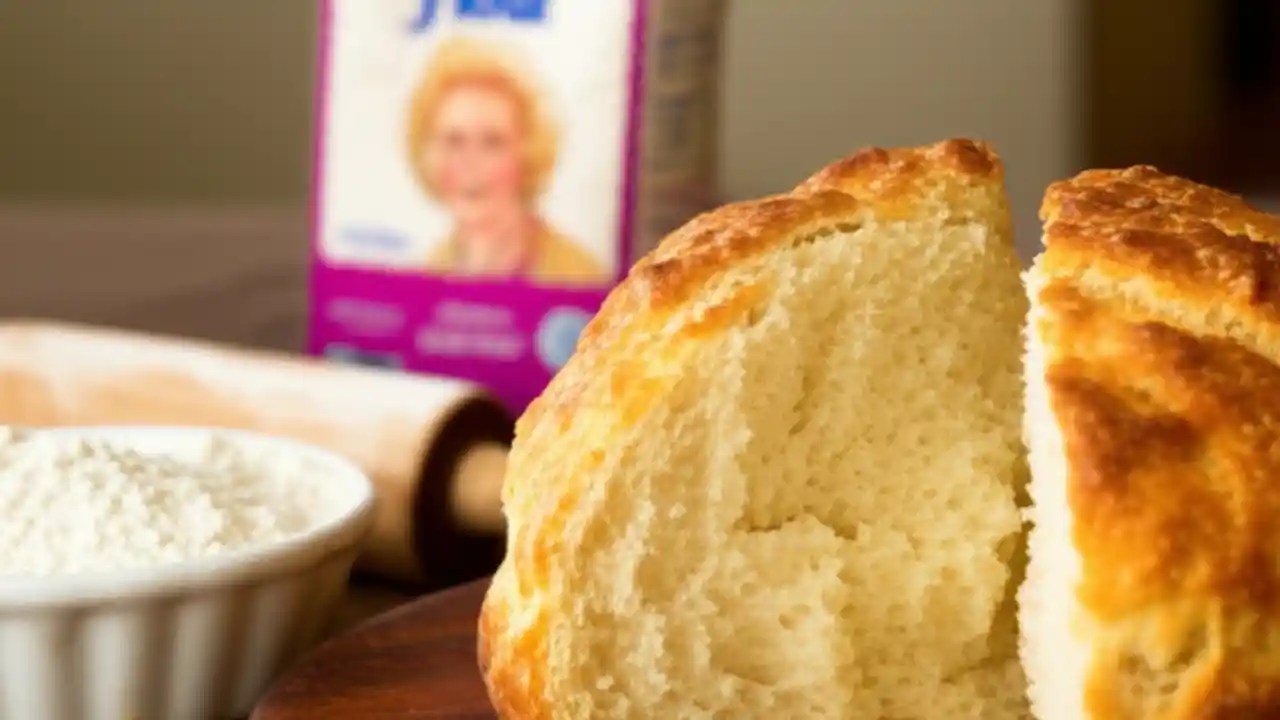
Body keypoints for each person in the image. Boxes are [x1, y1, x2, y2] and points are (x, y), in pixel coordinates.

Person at [406, 37, 608, 284]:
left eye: (493, 142)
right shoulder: (430, 268)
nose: (470, 163)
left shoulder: (579, 274)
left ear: (528, 153)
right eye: (453, 141)